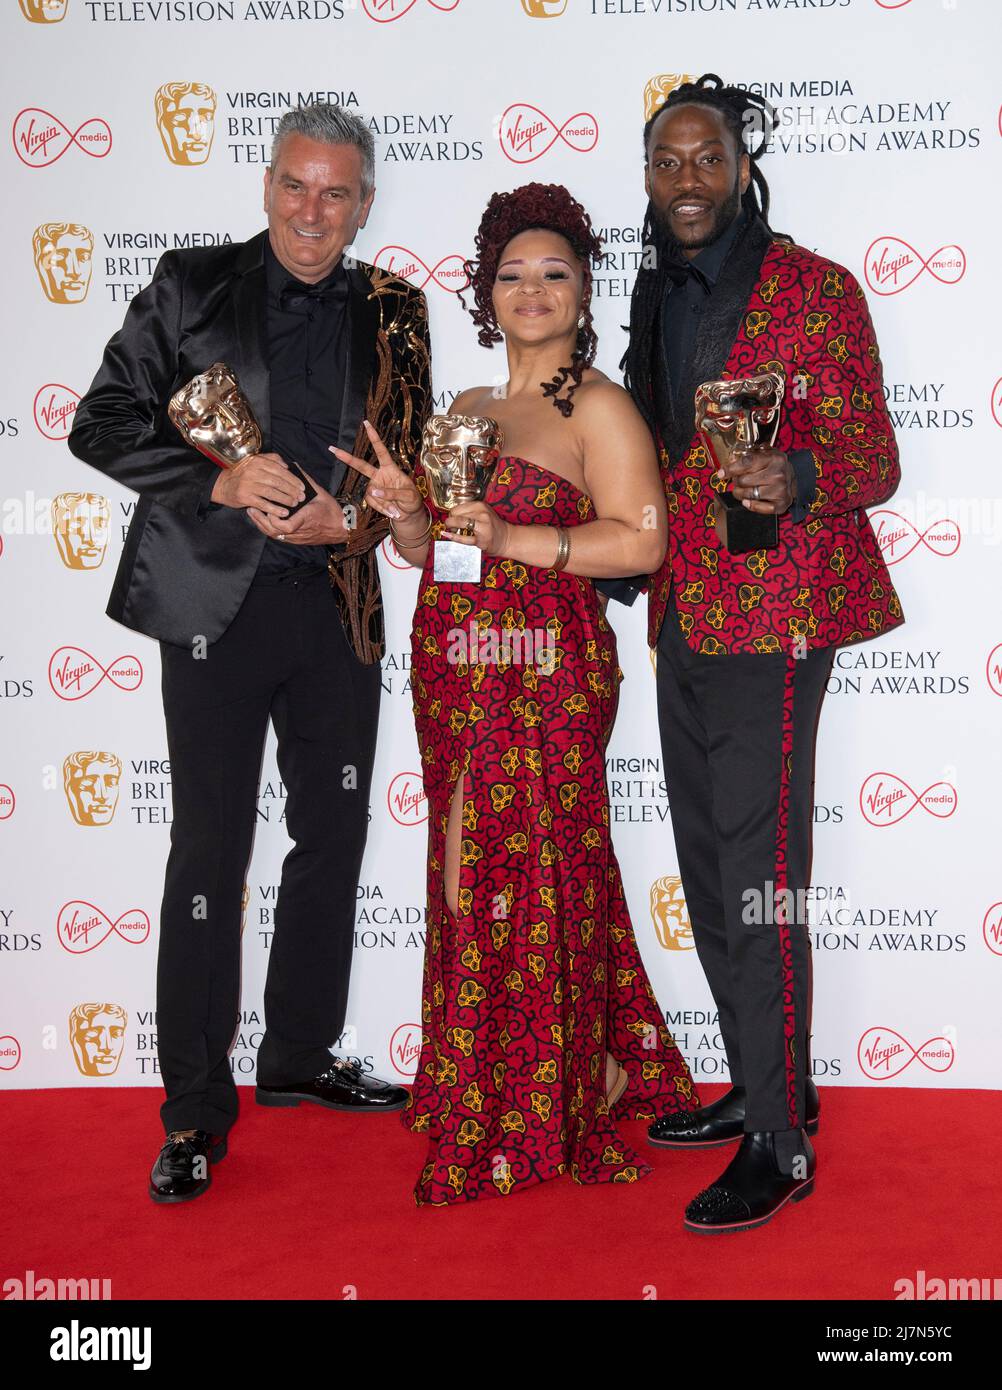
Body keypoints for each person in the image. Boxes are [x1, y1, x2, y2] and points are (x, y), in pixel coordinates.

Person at [68, 102, 432, 1204]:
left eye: (336, 193)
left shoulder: (398, 308)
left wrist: (356, 526)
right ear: (266, 183)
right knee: (207, 853)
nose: (311, 211)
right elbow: (99, 419)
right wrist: (216, 479)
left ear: (364, 204)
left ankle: (300, 1054)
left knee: (331, 833)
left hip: (339, 612)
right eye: (295, 185)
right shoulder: (189, 284)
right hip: (212, 612)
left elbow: (406, 467)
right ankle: (191, 1110)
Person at [332, 183, 699, 1205]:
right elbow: (438, 555)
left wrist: (516, 538)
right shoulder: (467, 410)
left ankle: (552, 1092)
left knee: (536, 864)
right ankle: (487, 1081)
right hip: (456, 663)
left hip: (546, 666)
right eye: (512, 274)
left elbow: (645, 536)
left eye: (554, 273)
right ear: (485, 294)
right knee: (463, 866)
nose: (531, 291)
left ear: (584, 292)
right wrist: (406, 514)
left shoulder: (602, 405)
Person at [620, 75, 903, 1232]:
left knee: (760, 874)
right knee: (709, 868)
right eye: (666, 163)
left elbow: (875, 456)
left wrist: (804, 477)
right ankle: (758, 1079)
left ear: (742, 167)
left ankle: (782, 1141)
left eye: (706, 159)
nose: (687, 181)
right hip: (684, 612)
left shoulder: (816, 288)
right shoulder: (650, 292)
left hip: (780, 616)